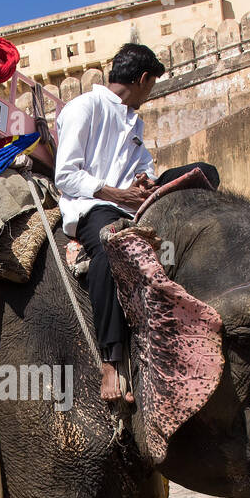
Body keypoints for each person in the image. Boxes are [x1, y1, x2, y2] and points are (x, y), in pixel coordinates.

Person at [54, 43, 219, 403]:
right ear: (143, 79)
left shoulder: (133, 120)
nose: (150, 93)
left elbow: (142, 168)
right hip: (95, 206)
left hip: (133, 204)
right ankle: (111, 360)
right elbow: (65, 175)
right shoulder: (84, 108)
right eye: (151, 86)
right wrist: (116, 194)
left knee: (205, 173)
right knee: (110, 246)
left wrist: (146, 182)